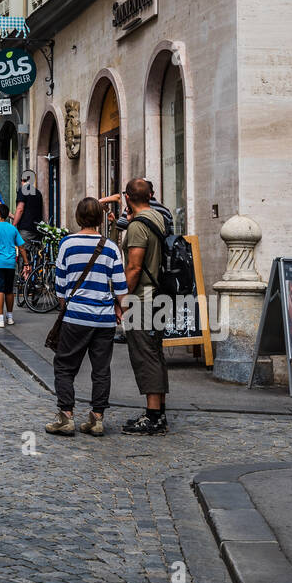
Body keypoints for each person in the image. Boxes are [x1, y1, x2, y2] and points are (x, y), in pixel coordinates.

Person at [45, 197, 129, 437]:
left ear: (78, 218)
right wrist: (119, 309)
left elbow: (60, 284)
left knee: (64, 365)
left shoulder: (67, 244)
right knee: (101, 369)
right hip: (103, 319)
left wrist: (66, 304)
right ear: (100, 220)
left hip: (76, 316)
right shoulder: (111, 247)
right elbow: (121, 287)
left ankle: (66, 416)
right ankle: (97, 418)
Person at [121, 178, 170, 435]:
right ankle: (158, 411)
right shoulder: (158, 217)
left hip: (143, 299)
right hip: (159, 295)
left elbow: (134, 266)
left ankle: (152, 417)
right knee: (155, 351)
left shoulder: (139, 226)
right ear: (150, 196)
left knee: (145, 355)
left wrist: (122, 298)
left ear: (128, 198)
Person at [0, 204, 26, 328]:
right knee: (9, 291)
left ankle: (0, 319)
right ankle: (10, 317)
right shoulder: (12, 228)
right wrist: (26, 262)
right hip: (10, 263)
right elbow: (21, 247)